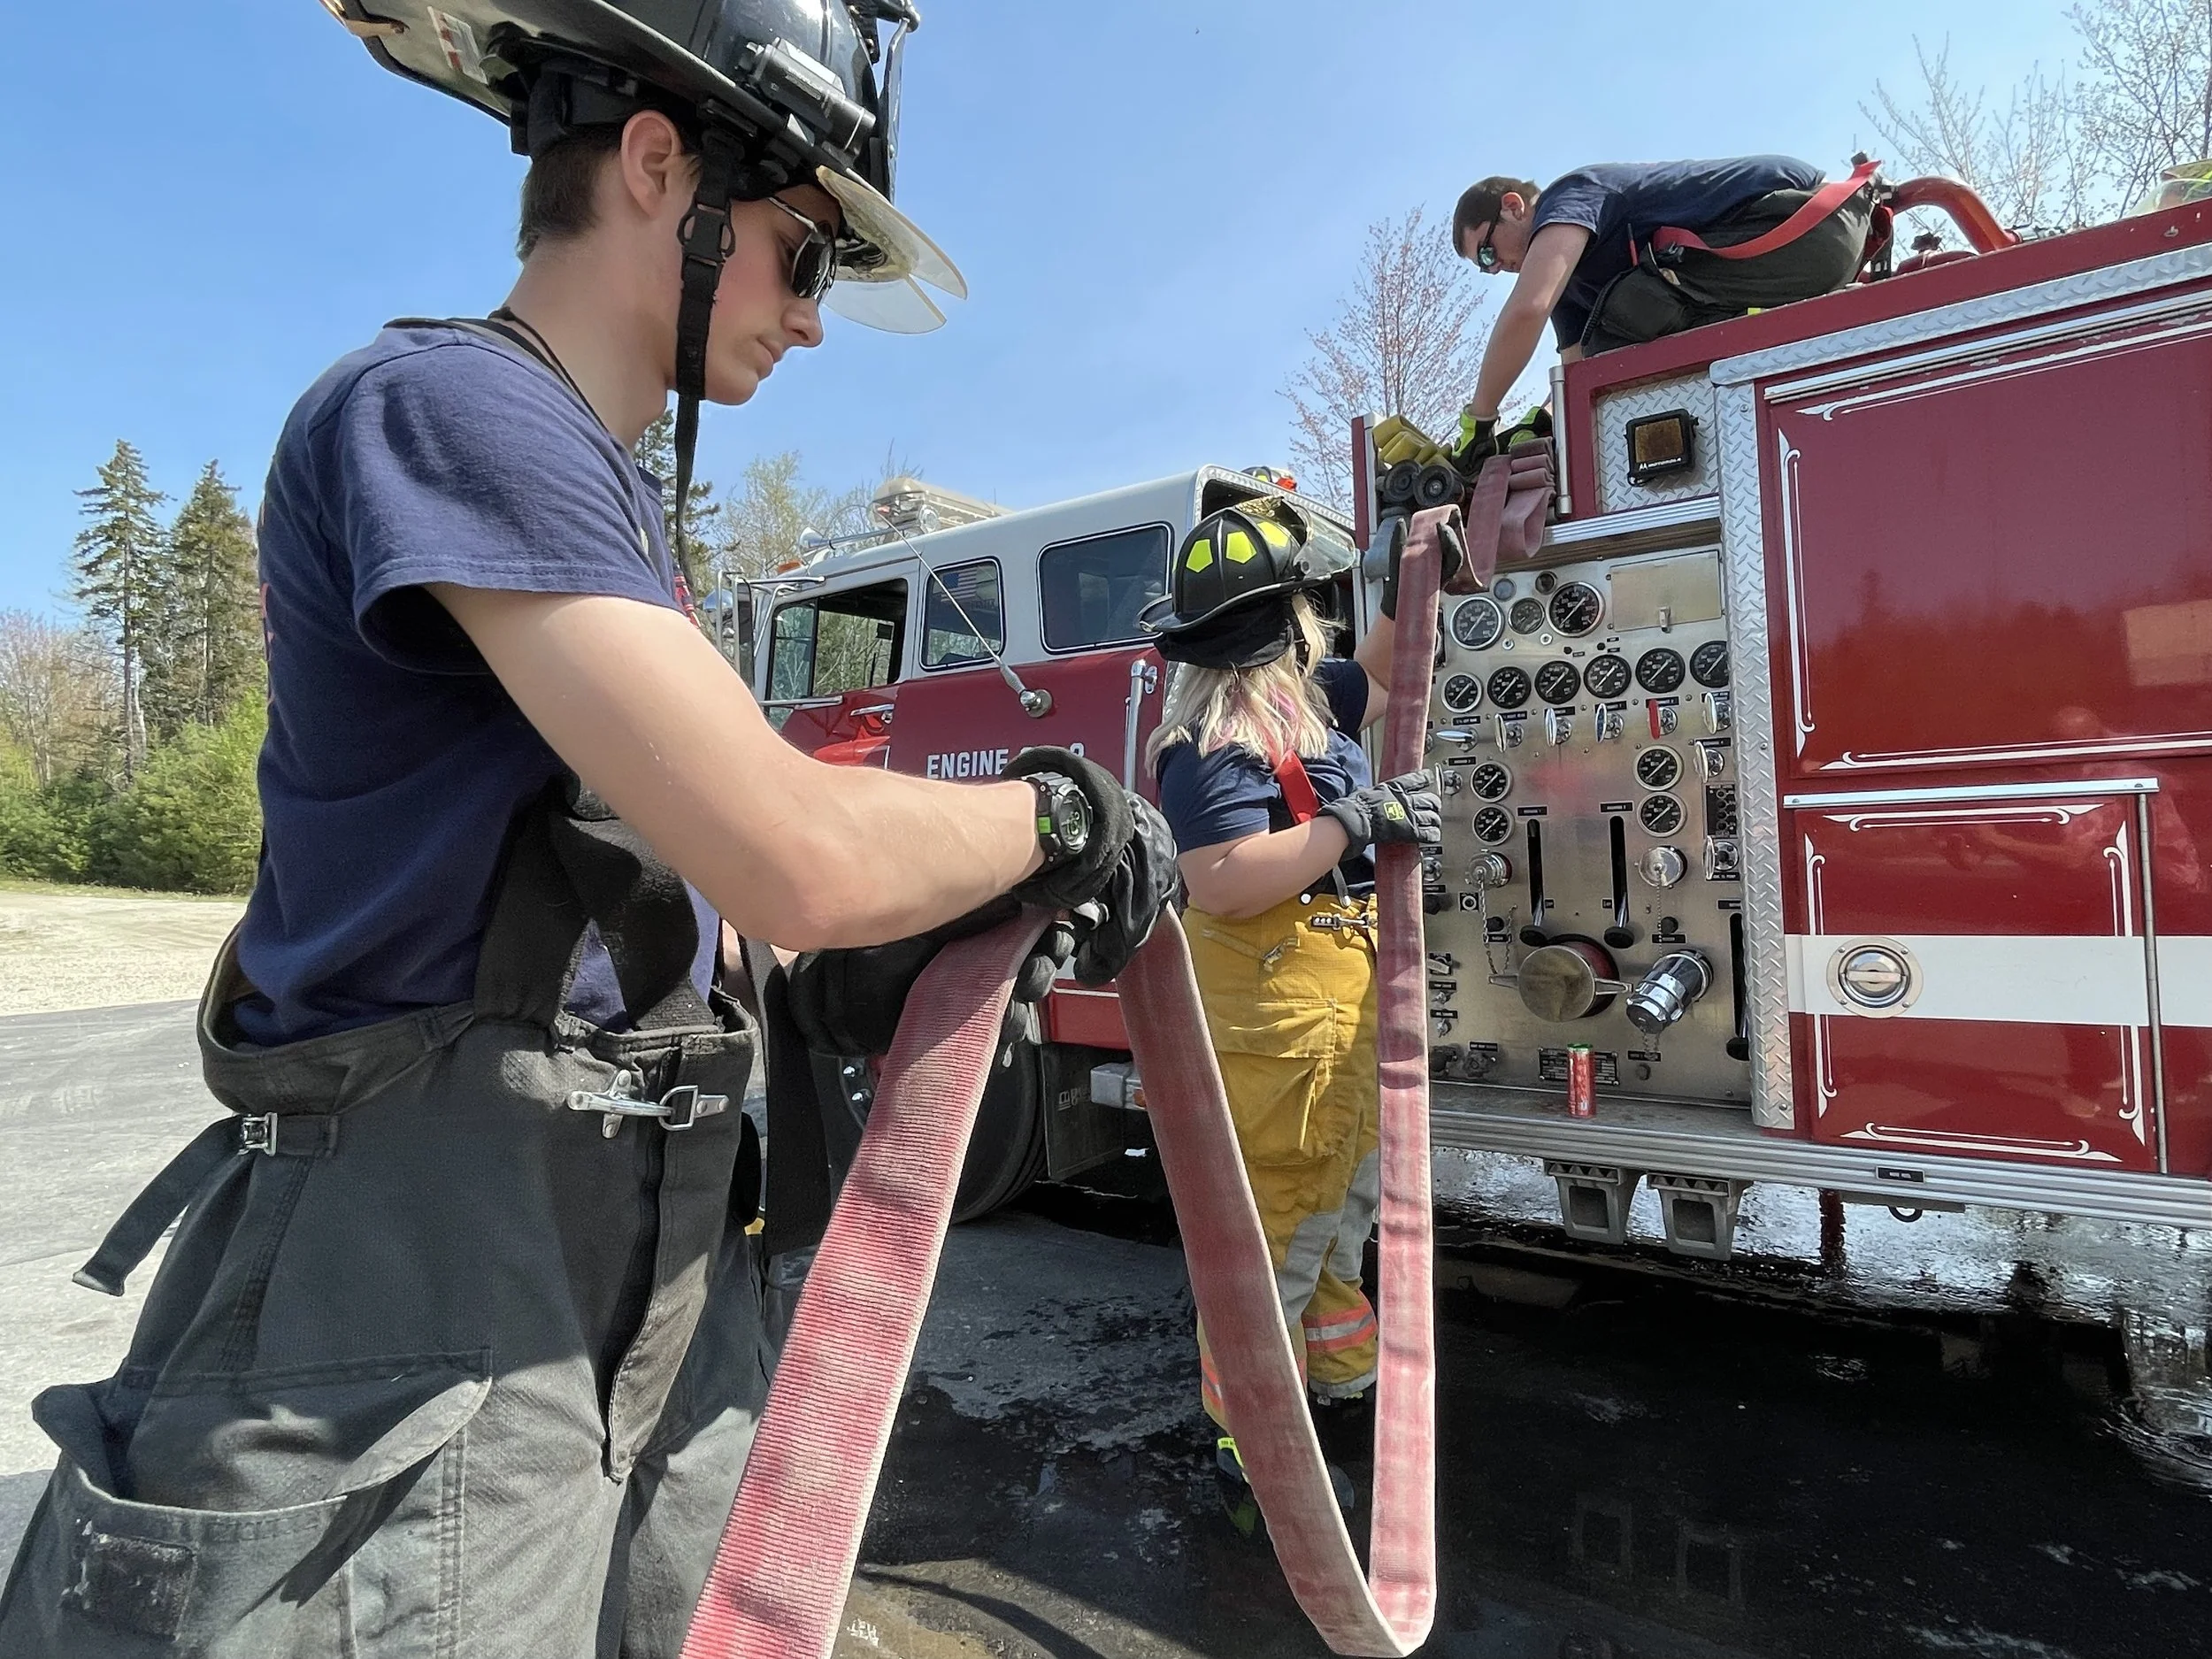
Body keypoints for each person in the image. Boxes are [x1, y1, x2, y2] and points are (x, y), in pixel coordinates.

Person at [0, 4, 1176, 1654]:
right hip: (424, 1276)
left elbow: (723, 878)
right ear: (654, 168)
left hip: (641, 1248)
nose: (815, 324)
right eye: (802, 256)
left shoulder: (604, 507)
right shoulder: (451, 411)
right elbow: (796, 848)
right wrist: (1053, 814)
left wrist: (824, 969)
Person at [1139, 501, 1444, 1523]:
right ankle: (1257, 1439)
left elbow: (1396, 662)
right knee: (1270, 1236)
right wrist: (1358, 819)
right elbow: (1221, 877)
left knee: (1330, 1217)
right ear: (1291, 619)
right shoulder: (1213, 739)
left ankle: (1333, 1390)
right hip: (1276, 1017)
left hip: (1327, 1006)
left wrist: (1421, 550)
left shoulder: (1307, 701)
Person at [1448, 157, 1876, 460]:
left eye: (1487, 252)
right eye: (1484, 269)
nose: (1497, 268)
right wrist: (1538, 428)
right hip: (1795, 257)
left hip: (1805, 222)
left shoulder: (1570, 195)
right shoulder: (1573, 283)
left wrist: (1480, 419)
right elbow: (1578, 378)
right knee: (1607, 353)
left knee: (1631, 311)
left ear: (1513, 206)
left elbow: (1527, 310)